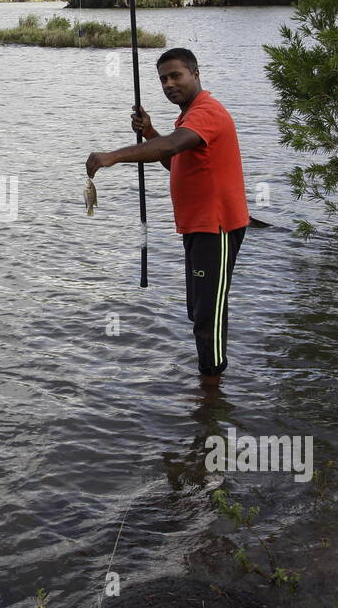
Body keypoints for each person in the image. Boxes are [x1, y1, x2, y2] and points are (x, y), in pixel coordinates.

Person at [85, 47, 250, 387]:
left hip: (215, 227)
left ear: (196, 74)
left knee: (208, 314)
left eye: (177, 75)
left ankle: (212, 394)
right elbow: (174, 160)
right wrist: (149, 133)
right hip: (198, 227)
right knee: (198, 309)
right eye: (163, 79)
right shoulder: (188, 117)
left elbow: (173, 147)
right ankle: (208, 383)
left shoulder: (207, 112)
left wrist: (113, 156)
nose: (169, 84)